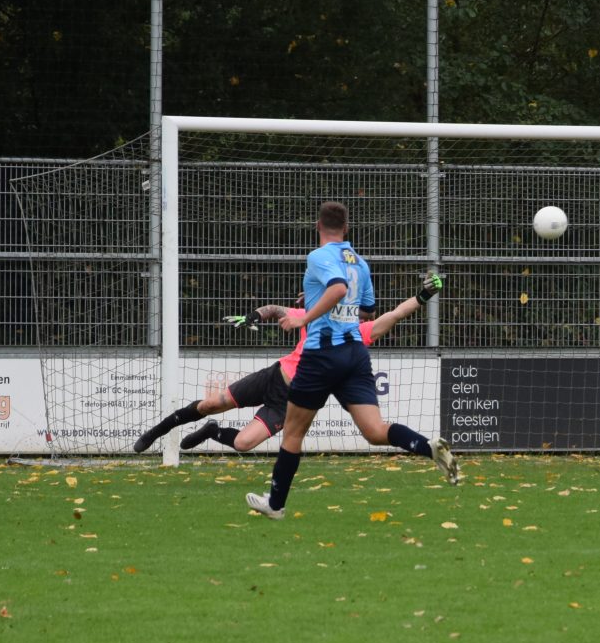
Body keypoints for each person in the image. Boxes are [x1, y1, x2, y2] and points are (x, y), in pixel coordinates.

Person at [251, 201, 457, 519]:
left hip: (321, 355)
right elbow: (369, 312)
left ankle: (275, 505)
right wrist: (322, 299)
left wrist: (303, 317)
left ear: (318, 227)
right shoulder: (359, 262)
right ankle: (427, 447)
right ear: (346, 229)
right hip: (354, 355)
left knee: (293, 433)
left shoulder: (318, 256)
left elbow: (337, 289)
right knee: (375, 431)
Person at [131, 272, 444, 458]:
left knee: (243, 443)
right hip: (273, 378)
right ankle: (159, 430)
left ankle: (212, 433)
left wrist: (422, 295)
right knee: (212, 402)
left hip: (291, 403)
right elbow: (274, 309)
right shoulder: (314, 317)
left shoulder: (358, 334)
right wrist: (253, 316)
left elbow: (395, 315)